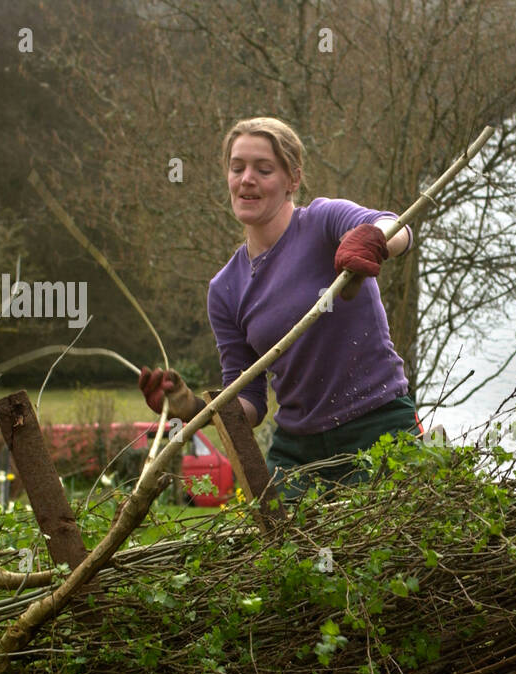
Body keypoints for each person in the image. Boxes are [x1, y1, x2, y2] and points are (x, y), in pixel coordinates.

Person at [139, 116, 423, 501]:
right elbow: (250, 404)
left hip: (378, 425)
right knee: (282, 553)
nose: (246, 179)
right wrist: (188, 407)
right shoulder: (226, 289)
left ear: (293, 179)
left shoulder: (324, 221)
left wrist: (372, 238)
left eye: (264, 169)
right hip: (298, 453)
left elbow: (398, 228)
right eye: (237, 168)